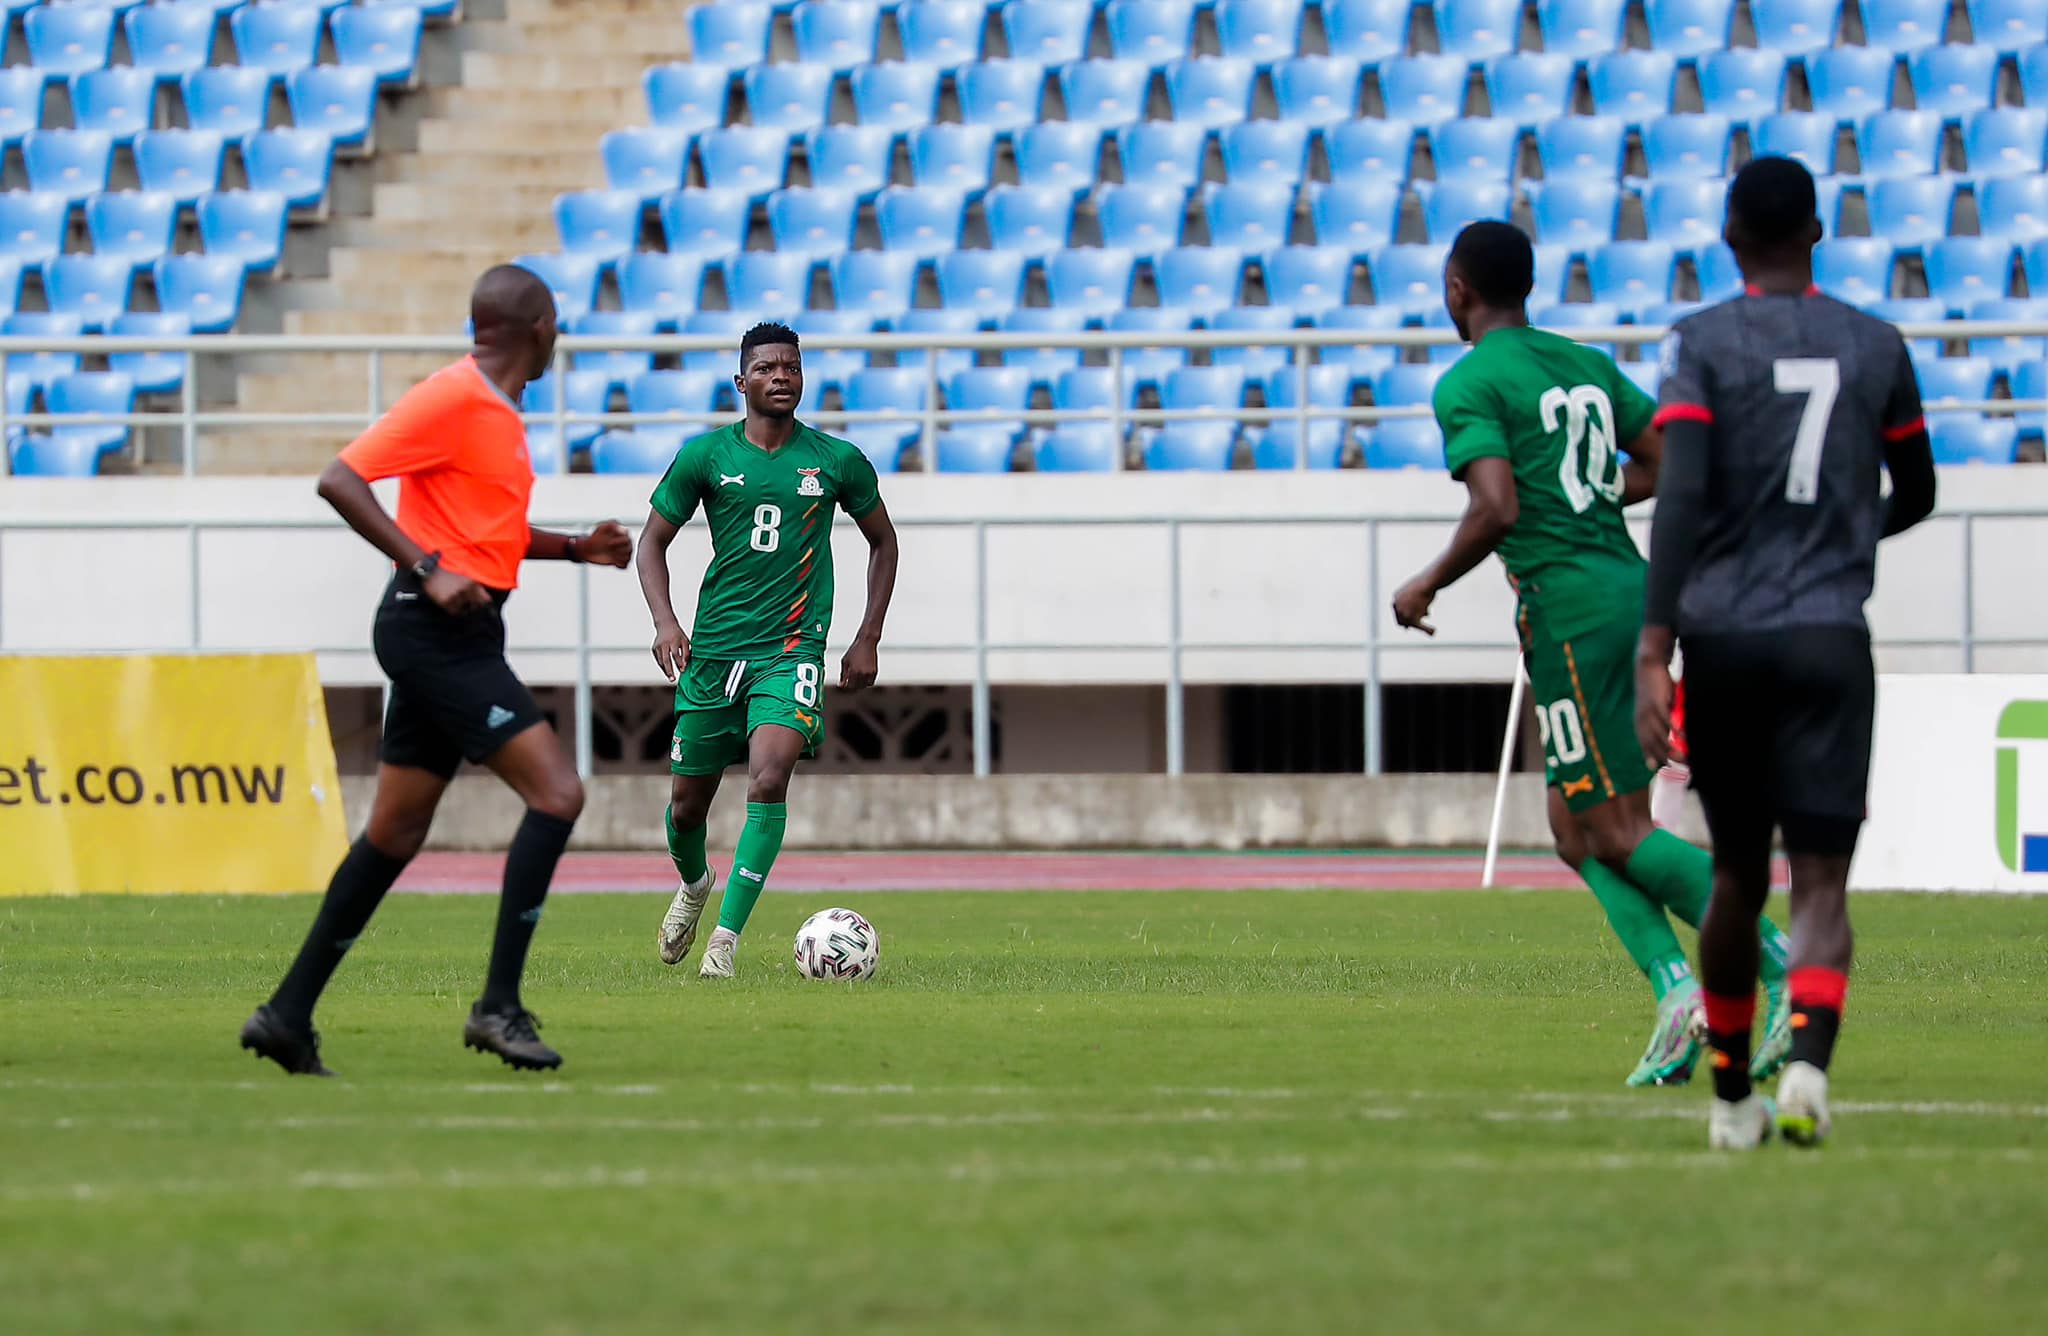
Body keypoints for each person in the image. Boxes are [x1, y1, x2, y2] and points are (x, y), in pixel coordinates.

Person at [1393, 220, 1796, 1087]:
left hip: (1573, 610)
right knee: (1574, 831)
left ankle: (1779, 964)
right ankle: (1678, 992)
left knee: (1615, 828)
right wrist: (1586, 499)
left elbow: (1496, 505)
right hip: (1624, 594)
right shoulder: (1581, 363)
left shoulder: (1469, 382)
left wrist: (1426, 582)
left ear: (1457, 289)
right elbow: (1665, 458)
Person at [239, 264, 633, 1077]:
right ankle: (498, 1006)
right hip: (429, 628)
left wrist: (574, 549)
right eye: (557, 325)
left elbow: (488, 532)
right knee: (558, 793)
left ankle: (286, 1015)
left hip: (464, 631)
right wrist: (426, 566)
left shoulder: (496, 415)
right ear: (542, 329)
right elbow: (338, 478)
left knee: (394, 832)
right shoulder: (453, 397)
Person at [1635, 157, 1937, 1150]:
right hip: (1827, 637)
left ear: (1727, 239)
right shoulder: (1873, 344)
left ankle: (1731, 1099)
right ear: (1814, 233)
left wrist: (1654, 644)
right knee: (1819, 879)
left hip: (1724, 638)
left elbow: (1676, 498)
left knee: (1733, 876)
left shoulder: (1701, 343)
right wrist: (1846, 537)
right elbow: (1919, 491)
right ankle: (1806, 1064)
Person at [635, 322, 898, 978]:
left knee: (770, 777)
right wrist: (666, 623)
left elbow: (884, 542)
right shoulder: (705, 456)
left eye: (792, 368)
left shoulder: (837, 460)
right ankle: (695, 885)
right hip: (714, 653)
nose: (781, 376)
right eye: (768, 368)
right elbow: (650, 543)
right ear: (741, 382)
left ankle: (724, 940)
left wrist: (867, 636)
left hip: (792, 649)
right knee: (686, 806)